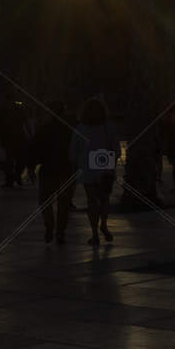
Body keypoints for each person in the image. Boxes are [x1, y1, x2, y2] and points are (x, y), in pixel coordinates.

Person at [70, 96, 121, 246]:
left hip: (88, 171)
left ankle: (94, 233)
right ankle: (103, 224)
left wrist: (77, 163)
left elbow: (73, 151)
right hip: (105, 169)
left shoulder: (80, 128)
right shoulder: (108, 127)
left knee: (92, 202)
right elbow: (116, 150)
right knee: (104, 200)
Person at [29, 103, 75, 245]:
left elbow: (34, 149)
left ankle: (49, 223)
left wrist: (31, 167)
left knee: (45, 200)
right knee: (63, 203)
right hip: (66, 171)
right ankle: (60, 232)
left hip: (48, 170)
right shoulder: (71, 130)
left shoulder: (44, 129)